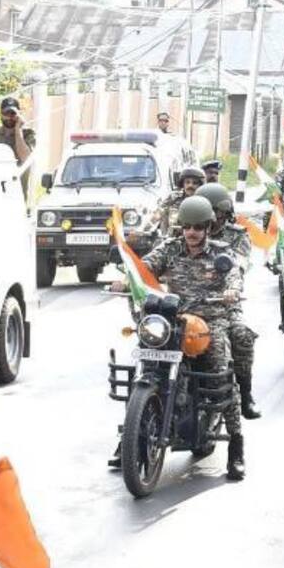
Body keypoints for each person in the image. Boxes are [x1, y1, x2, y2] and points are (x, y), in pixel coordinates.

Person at [115, 196, 246, 478]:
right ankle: (129, 438)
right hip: (172, 321)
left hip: (209, 320)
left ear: (208, 227)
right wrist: (128, 279)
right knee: (145, 366)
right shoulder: (171, 248)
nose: (192, 232)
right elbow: (146, 267)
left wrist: (232, 290)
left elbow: (234, 274)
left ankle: (236, 446)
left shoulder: (220, 254)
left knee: (222, 376)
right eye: (187, 226)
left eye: (198, 227)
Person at [196, 182, 261, 420]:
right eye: (207, 212)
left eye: (216, 212)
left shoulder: (237, 236)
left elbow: (238, 264)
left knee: (242, 336)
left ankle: (245, 395)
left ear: (225, 212)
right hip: (185, 303)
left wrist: (231, 287)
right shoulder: (185, 231)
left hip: (221, 303)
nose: (211, 218)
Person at [0, 97, 36, 194]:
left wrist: (18, 130)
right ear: (0, 114)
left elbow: (25, 157)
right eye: (6, 114)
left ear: (19, 114)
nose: (9, 117)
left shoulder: (28, 134)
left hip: (17, 194)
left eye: (13, 113)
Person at [158, 166, 205, 233]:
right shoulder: (174, 197)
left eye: (195, 183)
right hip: (173, 236)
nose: (190, 185)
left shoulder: (204, 200)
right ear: (183, 184)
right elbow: (159, 212)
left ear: (200, 185)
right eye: (187, 182)